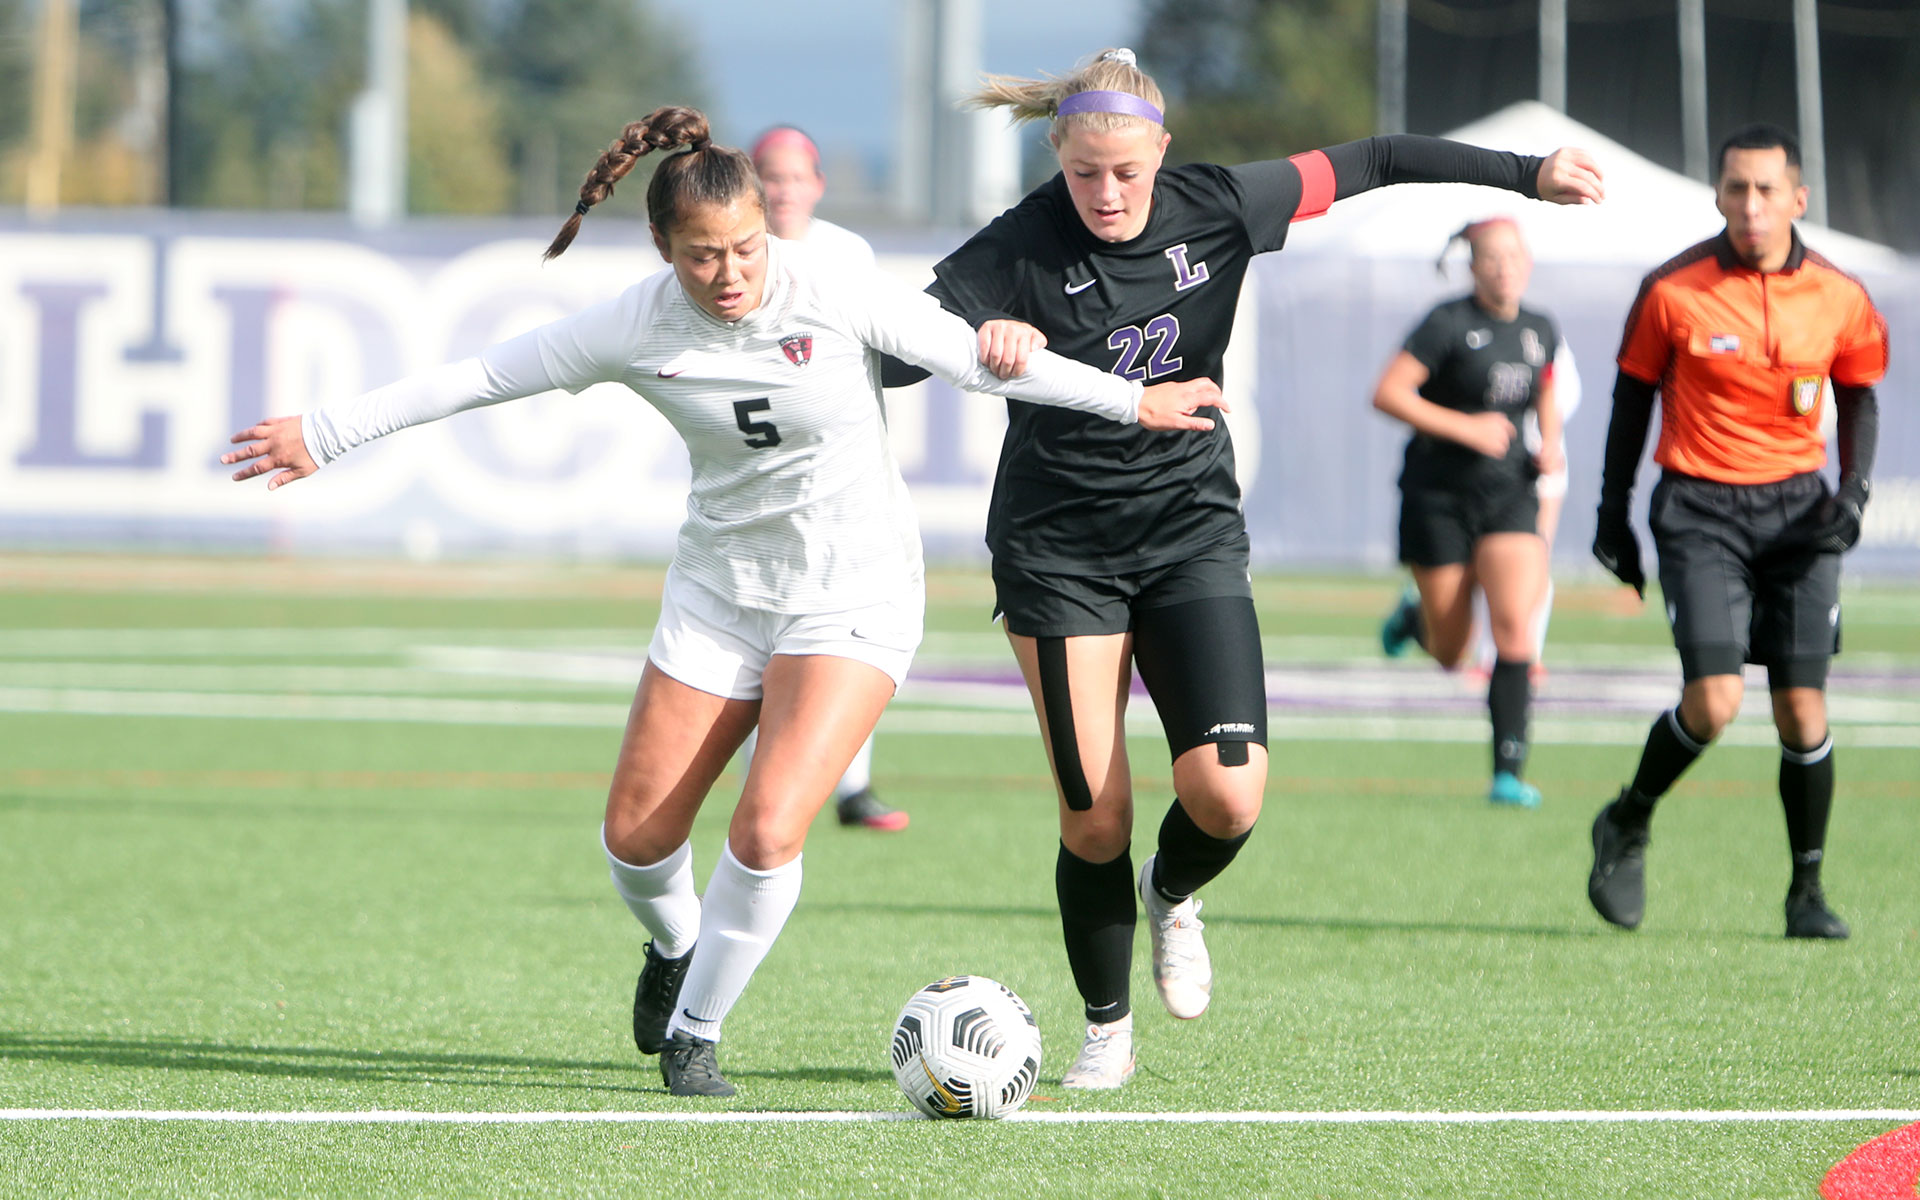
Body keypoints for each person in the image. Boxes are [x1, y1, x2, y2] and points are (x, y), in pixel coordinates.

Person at [221, 106, 1225, 1098]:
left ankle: (696, 1033)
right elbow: (484, 377)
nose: (733, 273)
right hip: (720, 595)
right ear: (664, 248)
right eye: (704, 256)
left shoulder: (829, 286)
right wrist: (327, 429)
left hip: (855, 593)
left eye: (746, 247)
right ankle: (678, 946)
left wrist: (1132, 400)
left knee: (766, 830)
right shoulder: (632, 322)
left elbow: (978, 362)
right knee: (636, 840)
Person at [889, 48, 1602, 1088]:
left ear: (1162, 153)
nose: (1107, 193)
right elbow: (898, 346)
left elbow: (1379, 157)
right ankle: (1104, 1028)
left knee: (1228, 798)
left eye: (1127, 172)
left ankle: (1172, 893)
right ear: (1058, 156)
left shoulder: (1221, 203)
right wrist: (975, 338)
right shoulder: (1020, 243)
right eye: (1085, 173)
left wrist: (1525, 172)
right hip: (1058, 549)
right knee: (1093, 812)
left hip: (1190, 532)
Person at [1587, 123, 1888, 939]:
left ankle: (1806, 893)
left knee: (1802, 712)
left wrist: (1852, 494)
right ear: (1717, 195)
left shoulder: (1841, 293)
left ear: (1798, 198)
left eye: (1765, 190)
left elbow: (1859, 392)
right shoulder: (1673, 288)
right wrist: (1612, 514)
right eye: (1734, 189)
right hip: (1699, 511)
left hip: (1799, 514)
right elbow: (1630, 399)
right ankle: (1627, 818)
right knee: (1715, 704)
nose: (1749, 207)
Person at [742, 123, 903, 832]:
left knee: (849, 628)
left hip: (842, 482)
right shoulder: (731, 252)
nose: (781, 189)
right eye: (768, 176)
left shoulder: (847, 254)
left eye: (794, 176)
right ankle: (768, 782)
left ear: (817, 184)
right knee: (762, 635)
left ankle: (852, 787)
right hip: (759, 483)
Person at [1373, 217, 1564, 808]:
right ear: (1473, 265)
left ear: (1528, 260)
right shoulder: (1446, 323)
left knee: (1514, 627)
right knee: (1454, 650)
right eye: (1492, 257)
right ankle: (1417, 618)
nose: (1505, 265)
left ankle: (1508, 771)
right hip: (1439, 495)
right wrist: (1465, 427)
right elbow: (1388, 393)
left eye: (1514, 254)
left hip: (1510, 494)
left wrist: (1550, 441)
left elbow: (1546, 392)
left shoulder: (1541, 328)